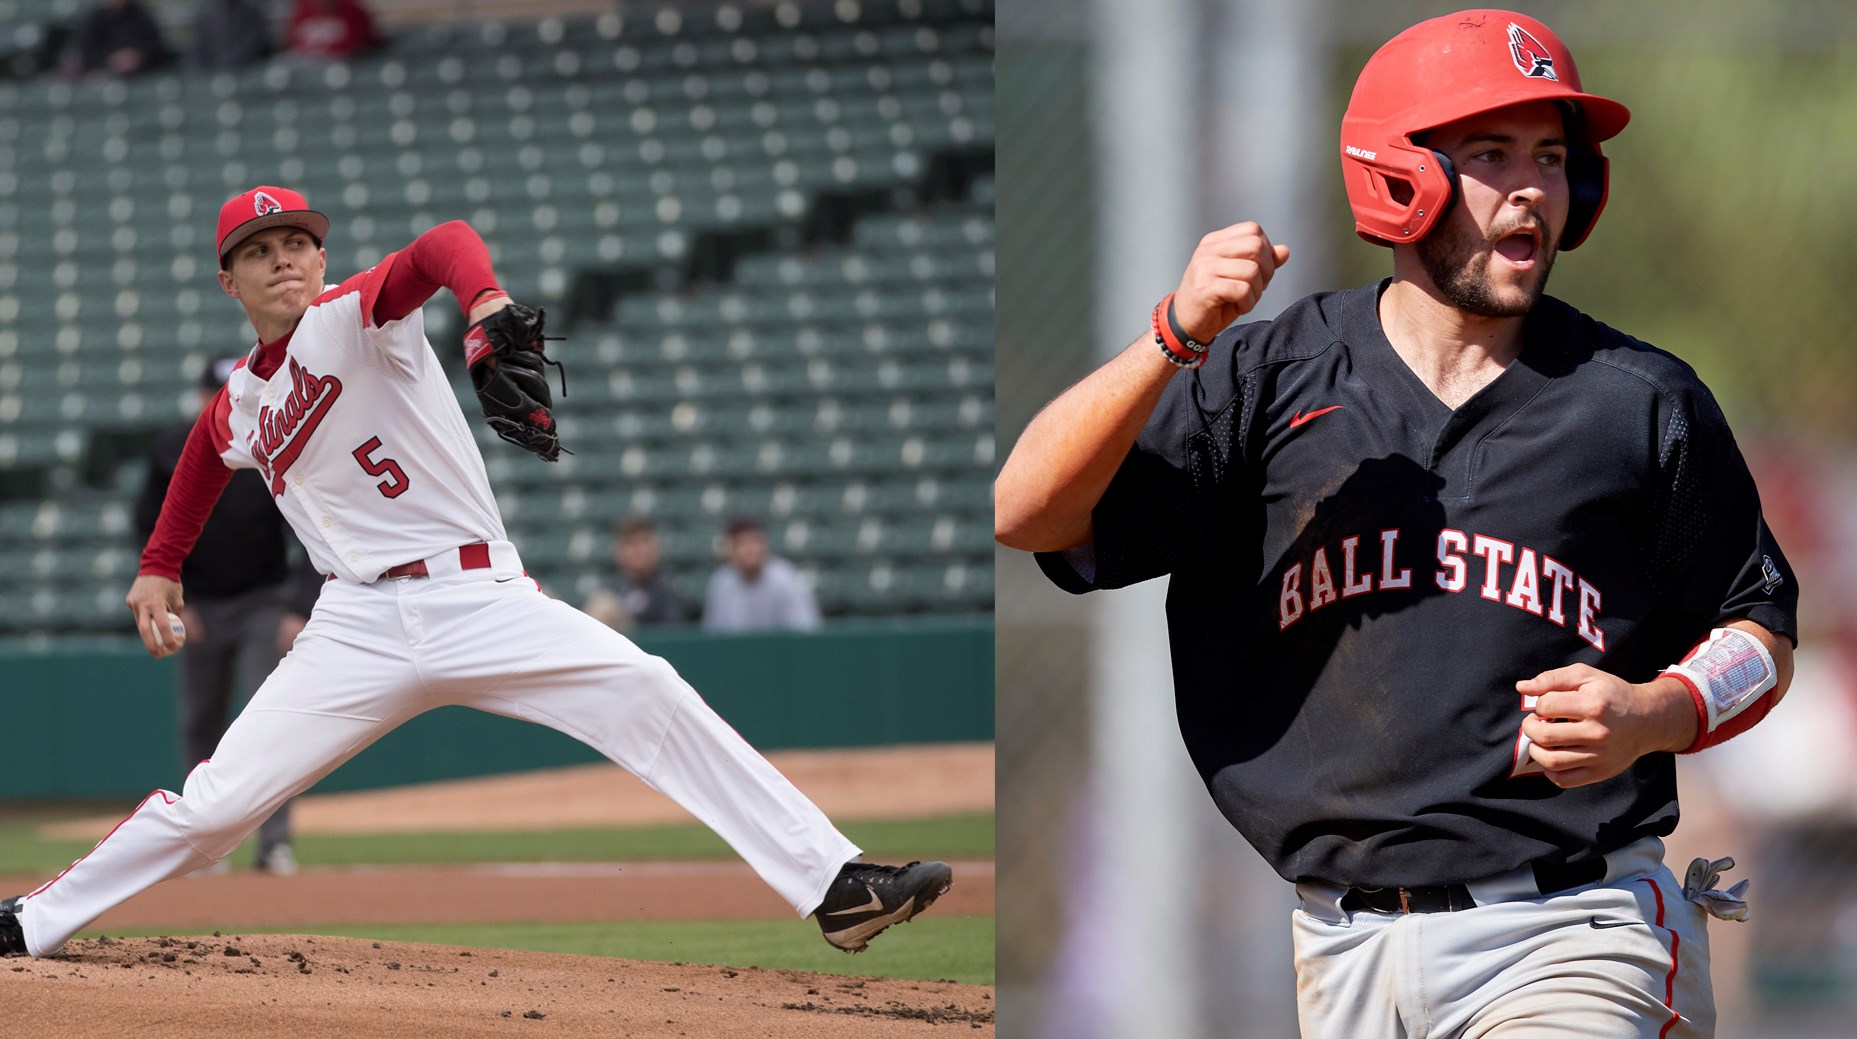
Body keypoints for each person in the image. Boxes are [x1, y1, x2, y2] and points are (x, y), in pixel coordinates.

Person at [994, 11, 1796, 1037]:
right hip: (1342, 949)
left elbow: (1760, 631)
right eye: (1491, 154)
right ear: (1397, 176)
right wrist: (1175, 334)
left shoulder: (1636, 403)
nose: (1532, 189)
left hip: (1574, 927)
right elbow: (1027, 511)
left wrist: (1656, 711)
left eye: (1552, 157)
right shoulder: (1270, 380)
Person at [0, 186, 949, 960]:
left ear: (322, 261)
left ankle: (835, 884)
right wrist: (159, 564)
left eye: (297, 240)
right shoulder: (241, 401)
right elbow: (206, 456)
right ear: (229, 280)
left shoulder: (353, 316)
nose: (284, 256)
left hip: (476, 595)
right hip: (354, 626)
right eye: (259, 249)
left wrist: (486, 301)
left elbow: (444, 240)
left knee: (648, 689)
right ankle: (31, 919)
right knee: (213, 809)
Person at [133, 357, 308, 875]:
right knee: (201, 720)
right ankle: (205, 843)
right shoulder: (172, 450)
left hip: (263, 600)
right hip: (200, 605)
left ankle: (273, 842)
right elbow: (147, 525)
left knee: (266, 719)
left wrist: (297, 606)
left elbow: (311, 531)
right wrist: (174, 595)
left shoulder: (276, 446)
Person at [702, 516, 822, 633]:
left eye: (754, 541)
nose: (749, 549)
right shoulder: (721, 582)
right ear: (730, 550)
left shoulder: (784, 578)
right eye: (741, 543)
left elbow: (805, 630)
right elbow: (713, 635)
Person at [584, 514, 696, 631]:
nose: (638, 550)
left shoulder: (669, 592)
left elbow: (672, 634)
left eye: (644, 541)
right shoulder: (613, 589)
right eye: (629, 543)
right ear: (618, 551)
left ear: (656, 548)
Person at [66, 0, 174, 79]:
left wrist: (136, 58)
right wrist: (112, 60)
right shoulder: (95, 18)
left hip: (140, 77)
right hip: (105, 77)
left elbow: (157, 50)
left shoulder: (142, 16)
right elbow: (87, 53)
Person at [188, 0, 274, 73]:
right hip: (213, 77)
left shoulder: (252, 13)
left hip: (245, 75)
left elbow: (257, 49)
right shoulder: (205, 15)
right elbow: (197, 55)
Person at [282, 0, 380, 61]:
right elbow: (291, 44)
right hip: (308, 72)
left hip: (346, 71)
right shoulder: (301, 11)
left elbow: (369, 46)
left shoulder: (354, 12)